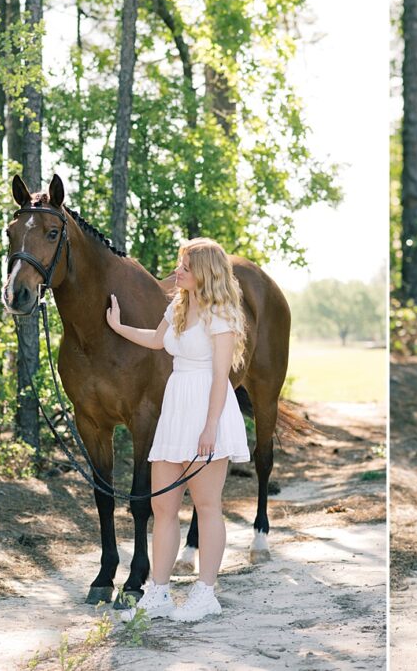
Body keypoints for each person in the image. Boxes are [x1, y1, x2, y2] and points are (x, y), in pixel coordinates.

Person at [105, 237, 251, 623]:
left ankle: (205, 594)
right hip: (175, 407)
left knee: (207, 507)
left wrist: (210, 428)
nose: (177, 271)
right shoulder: (179, 306)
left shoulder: (221, 315)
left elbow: (221, 376)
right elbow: (156, 341)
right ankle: (160, 592)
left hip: (207, 405)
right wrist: (118, 327)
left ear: (203, 271)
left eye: (184, 266)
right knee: (162, 506)